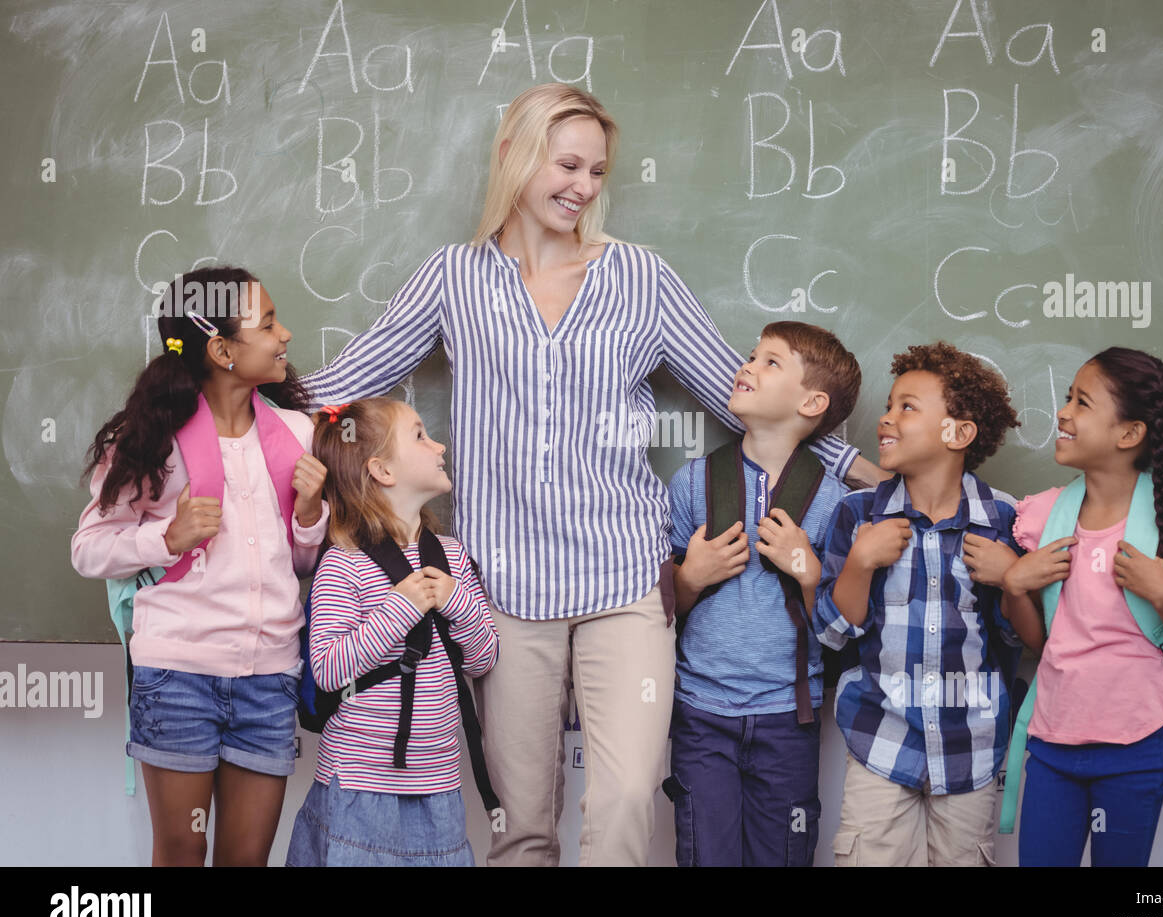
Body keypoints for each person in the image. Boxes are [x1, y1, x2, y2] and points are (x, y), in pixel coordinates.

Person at [300, 83, 888, 865]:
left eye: (597, 171)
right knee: (522, 820)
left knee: (624, 798)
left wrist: (855, 468)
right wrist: (235, 403)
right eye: (566, 163)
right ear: (515, 155)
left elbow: (732, 388)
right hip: (504, 589)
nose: (581, 186)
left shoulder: (640, 278)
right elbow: (352, 377)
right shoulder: (454, 276)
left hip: (624, 582)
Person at [72, 267, 328, 866]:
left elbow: (299, 562)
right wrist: (168, 536)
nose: (285, 334)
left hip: (269, 682)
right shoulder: (154, 440)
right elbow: (88, 547)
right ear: (221, 350)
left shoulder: (295, 434)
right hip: (178, 676)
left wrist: (311, 514)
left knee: (245, 858)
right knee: (182, 850)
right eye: (267, 324)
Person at [1001, 347, 1163, 866]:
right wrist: (1013, 587)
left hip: (1135, 748)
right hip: (1051, 743)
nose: (1062, 412)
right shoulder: (1044, 516)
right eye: (1068, 398)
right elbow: (1041, 643)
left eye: (1081, 403)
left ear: (1129, 434)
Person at [814, 341, 1031, 866]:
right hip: (880, 742)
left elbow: (1014, 637)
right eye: (889, 406)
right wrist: (860, 563)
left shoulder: (1004, 519)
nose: (886, 420)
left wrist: (1012, 578)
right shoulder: (857, 514)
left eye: (906, 407)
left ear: (958, 432)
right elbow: (831, 630)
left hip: (972, 751)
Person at [664, 321, 858, 866]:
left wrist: (810, 571)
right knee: (707, 855)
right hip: (701, 711)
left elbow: (843, 624)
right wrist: (690, 577)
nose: (747, 366)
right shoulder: (692, 482)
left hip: (788, 716)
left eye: (771, 362)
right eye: (752, 356)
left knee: (785, 856)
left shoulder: (834, 501)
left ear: (812, 401)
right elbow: (665, 611)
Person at [286, 397, 499, 866]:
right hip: (358, 787)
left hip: (438, 785)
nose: (439, 445)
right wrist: (400, 609)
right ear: (381, 470)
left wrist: (456, 602)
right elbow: (327, 669)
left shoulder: (453, 557)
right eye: (420, 435)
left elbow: (483, 659)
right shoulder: (344, 562)